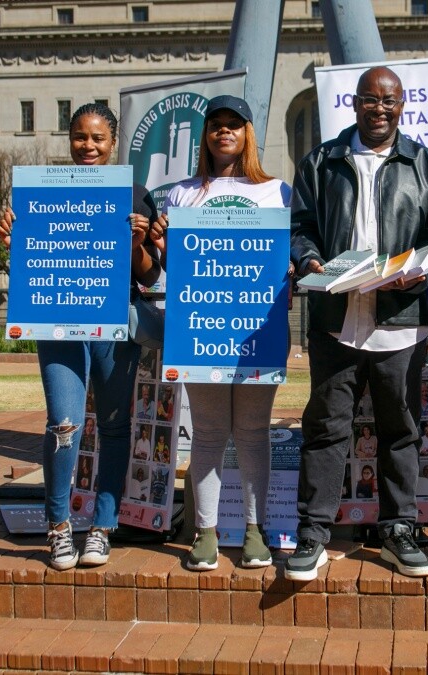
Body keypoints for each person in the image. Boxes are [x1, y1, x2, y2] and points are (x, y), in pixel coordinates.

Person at [287, 66, 428, 581]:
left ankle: (398, 530)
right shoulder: (321, 162)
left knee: (399, 429)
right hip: (335, 320)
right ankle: (313, 534)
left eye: (389, 100)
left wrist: (417, 270)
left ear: (402, 104)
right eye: (369, 99)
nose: (379, 108)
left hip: (400, 320)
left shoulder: (426, 165)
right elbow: (301, 229)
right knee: (325, 427)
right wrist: (309, 259)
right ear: (355, 103)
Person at [0, 102, 164, 570]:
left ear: (113, 143)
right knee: (63, 424)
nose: (88, 146)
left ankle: (102, 528)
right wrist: (13, 235)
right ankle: (58, 526)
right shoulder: (44, 192)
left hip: (113, 327)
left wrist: (136, 245)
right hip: (58, 323)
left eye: (98, 138)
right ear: (69, 141)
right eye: (80, 137)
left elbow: (150, 276)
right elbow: (33, 261)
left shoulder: (133, 195)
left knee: (113, 427)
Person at [162, 95, 291, 571]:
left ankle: (255, 530)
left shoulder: (277, 191)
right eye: (215, 125)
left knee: (253, 433)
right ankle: (206, 532)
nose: (223, 132)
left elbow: (286, 259)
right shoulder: (182, 194)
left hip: (257, 328)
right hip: (200, 327)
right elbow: (175, 268)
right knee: (211, 433)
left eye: (233, 124)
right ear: (206, 135)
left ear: (248, 133)